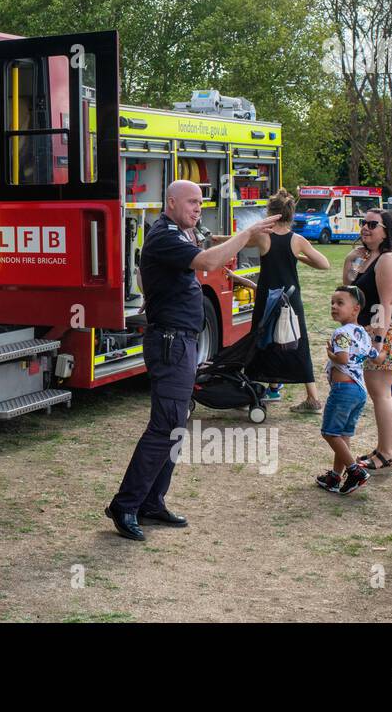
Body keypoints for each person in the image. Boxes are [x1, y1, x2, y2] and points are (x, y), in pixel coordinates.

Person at [105, 180, 279, 540]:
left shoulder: (179, 232)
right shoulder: (165, 235)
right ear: (171, 202)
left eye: (202, 201)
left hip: (181, 341)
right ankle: (125, 505)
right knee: (166, 425)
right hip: (171, 343)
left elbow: (191, 252)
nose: (199, 207)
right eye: (192, 202)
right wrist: (245, 234)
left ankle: (152, 501)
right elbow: (207, 261)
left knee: (177, 421)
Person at [245, 188, 331, 412]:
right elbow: (324, 264)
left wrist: (216, 239)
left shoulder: (264, 236)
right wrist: (298, 256)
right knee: (296, 344)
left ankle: (253, 390)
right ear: (291, 215)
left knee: (263, 342)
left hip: (268, 299)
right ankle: (306, 396)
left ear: (270, 213)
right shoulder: (298, 240)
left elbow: (238, 242)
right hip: (291, 300)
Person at [342, 209, 392, 472]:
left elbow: (387, 303)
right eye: (364, 223)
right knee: (378, 392)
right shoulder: (368, 258)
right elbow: (349, 291)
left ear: (386, 231)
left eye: (373, 224)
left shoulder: (388, 260)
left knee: (381, 393)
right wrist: (352, 258)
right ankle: (383, 448)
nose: (365, 227)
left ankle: (387, 453)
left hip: (388, 329)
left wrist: (377, 344)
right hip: (372, 331)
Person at [316, 286, 375, 495]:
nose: (334, 306)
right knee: (343, 435)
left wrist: (330, 354)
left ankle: (355, 471)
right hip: (359, 391)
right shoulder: (364, 335)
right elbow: (375, 355)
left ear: (355, 309)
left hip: (343, 389)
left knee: (329, 433)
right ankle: (334, 477)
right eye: (332, 302)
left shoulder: (341, 333)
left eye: (340, 303)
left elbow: (342, 359)